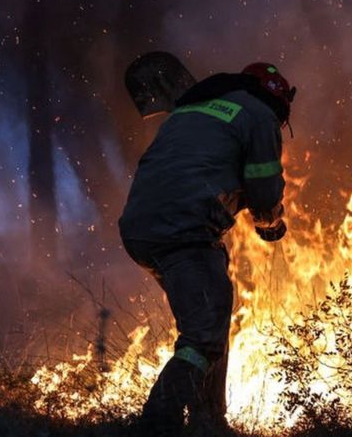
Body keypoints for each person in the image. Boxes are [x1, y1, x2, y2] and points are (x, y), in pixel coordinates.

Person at [119, 62, 296, 436]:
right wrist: (270, 224)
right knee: (203, 333)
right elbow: (264, 189)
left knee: (210, 322)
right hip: (186, 228)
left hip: (140, 228)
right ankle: (157, 422)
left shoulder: (189, 112)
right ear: (275, 98)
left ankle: (208, 420)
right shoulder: (259, 113)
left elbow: (189, 168)